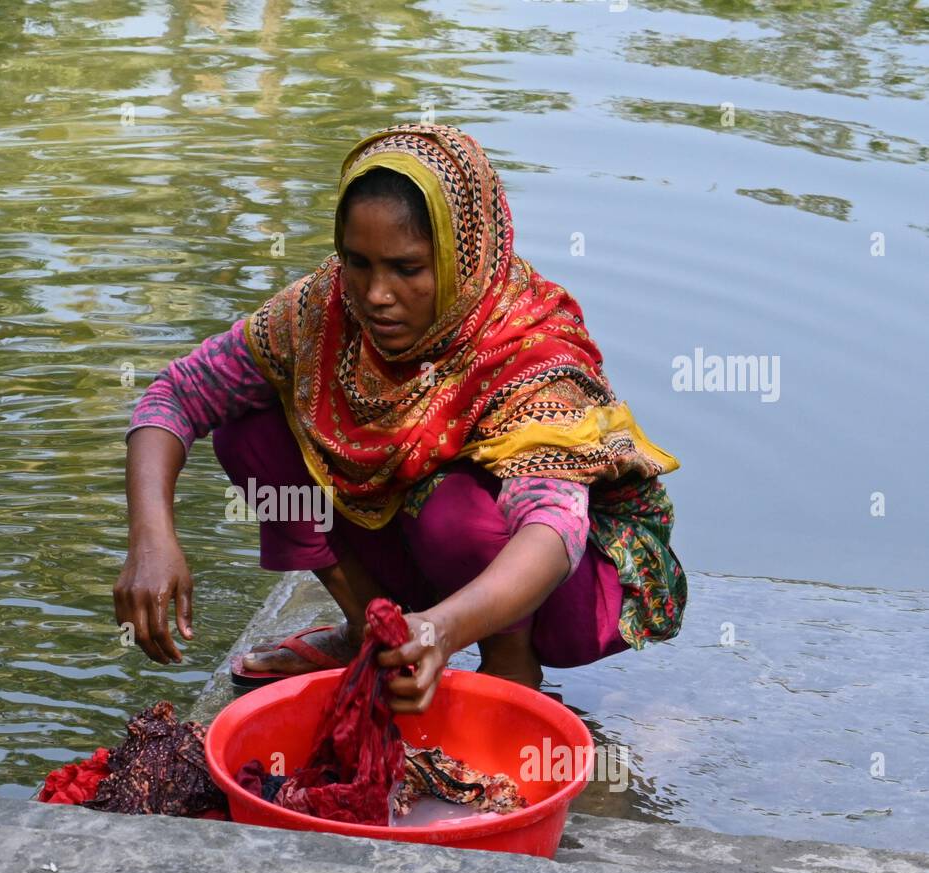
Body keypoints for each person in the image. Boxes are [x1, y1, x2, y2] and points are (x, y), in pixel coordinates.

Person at [114, 122, 685, 713]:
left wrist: (440, 628)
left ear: (465, 256)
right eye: (358, 263)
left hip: (560, 590)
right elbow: (177, 395)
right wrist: (150, 537)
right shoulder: (324, 309)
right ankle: (371, 629)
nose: (376, 295)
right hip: (421, 556)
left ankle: (509, 666)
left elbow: (552, 528)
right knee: (250, 429)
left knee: (452, 513)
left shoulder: (532, 351)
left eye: (408, 269)